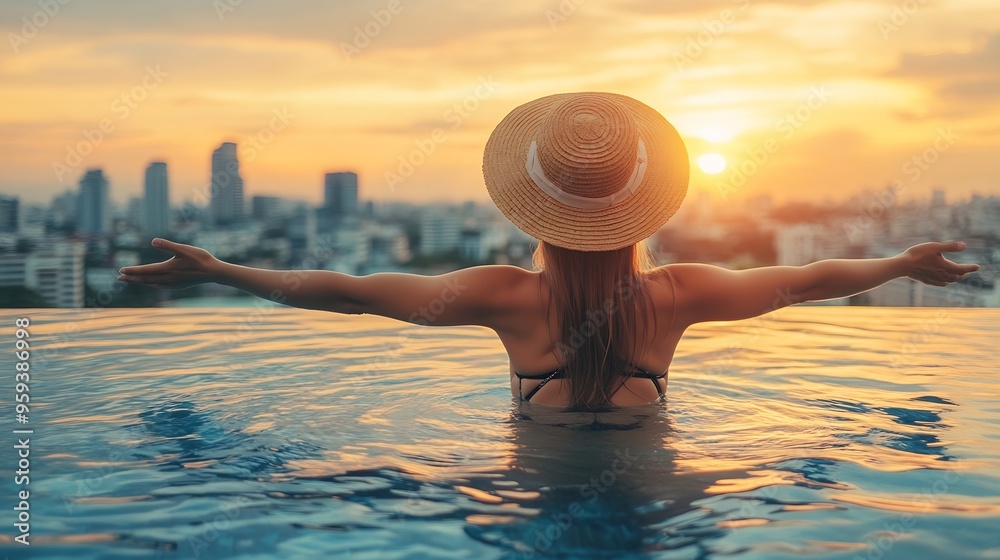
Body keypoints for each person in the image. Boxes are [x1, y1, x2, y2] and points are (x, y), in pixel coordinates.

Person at [117, 92, 979, 411]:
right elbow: (810, 279)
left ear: (533, 207)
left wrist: (223, 270)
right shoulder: (679, 294)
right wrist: (904, 262)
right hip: (663, 492)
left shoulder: (502, 294)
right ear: (639, 211)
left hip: (526, 494)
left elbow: (344, 289)